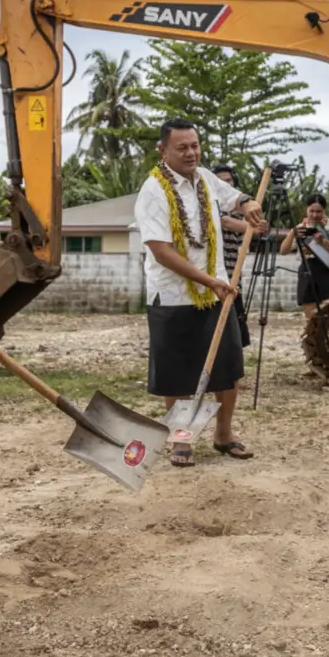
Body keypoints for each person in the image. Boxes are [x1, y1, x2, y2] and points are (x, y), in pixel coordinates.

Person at [134, 119, 265, 467]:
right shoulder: (153, 191)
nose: (191, 152)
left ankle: (224, 435)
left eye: (195, 145)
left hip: (218, 291)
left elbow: (233, 198)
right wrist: (209, 281)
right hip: (173, 296)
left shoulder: (205, 178)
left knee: (227, 366)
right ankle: (182, 440)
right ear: (163, 151)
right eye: (182, 147)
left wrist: (248, 203)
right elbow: (162, 250)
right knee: (177, 373)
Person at [210, 164, 264, 347]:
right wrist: (253, 227)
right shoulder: (211, 206)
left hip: (234, 278)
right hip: (214, 280)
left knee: (236, 334)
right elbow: (224, 221)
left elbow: (251, 229)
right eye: (221, 182)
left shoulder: (241, 211)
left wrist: (258, 225)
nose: (227, 184)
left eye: (229, 181)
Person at [278, 194, 329, 319]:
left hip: (327, 270)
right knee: (311, 315)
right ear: (306, 210)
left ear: (324, 210)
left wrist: (323, 241)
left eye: (318, 211)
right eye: (312, 211)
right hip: (307, 269)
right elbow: (283, 250)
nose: (315, 215)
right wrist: (293, 233)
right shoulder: (301, 228)